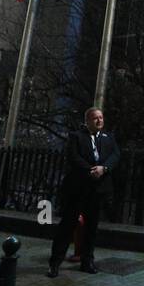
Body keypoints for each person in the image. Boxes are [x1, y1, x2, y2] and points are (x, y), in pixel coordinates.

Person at [48, 107, 120, 277]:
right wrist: (91, 170)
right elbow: (73, 157)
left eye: (101, 117)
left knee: (92, 228)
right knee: (67, 226)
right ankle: (55, 263)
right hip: (78, 189)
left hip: (98, 190)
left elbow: (116, 155)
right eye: (95, 118)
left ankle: (87, 261)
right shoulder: (77, 137)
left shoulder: (108, 138)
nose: (99, 121)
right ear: (87, 121)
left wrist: (104, 168)